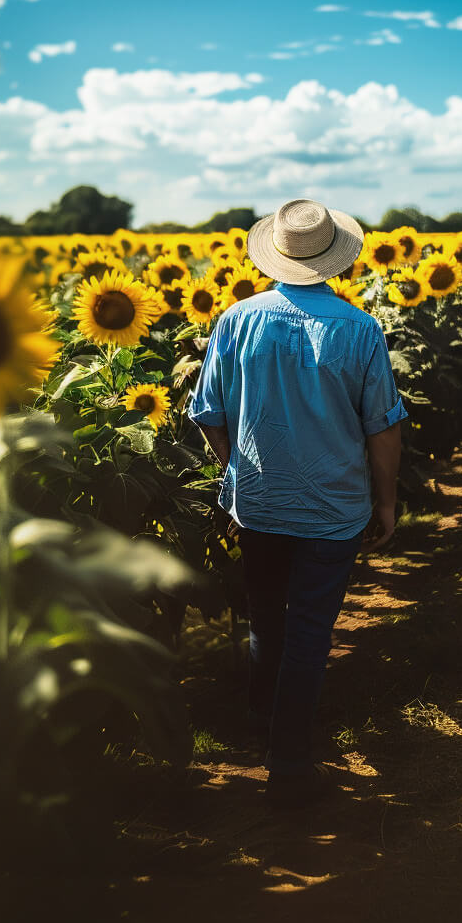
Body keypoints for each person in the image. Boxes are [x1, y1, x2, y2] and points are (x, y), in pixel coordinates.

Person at [183, 198, 408, 809]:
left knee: (267, 620)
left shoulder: (236, 320)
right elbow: (382, 428)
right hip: (334, 506)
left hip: (259, 502)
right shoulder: (359, 329)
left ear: (276, 255)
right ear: (336, 260)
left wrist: (236, 466)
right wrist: (387, 502)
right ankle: (288, 762)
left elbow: (208, 412)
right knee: (309, 631)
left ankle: (264, 721)